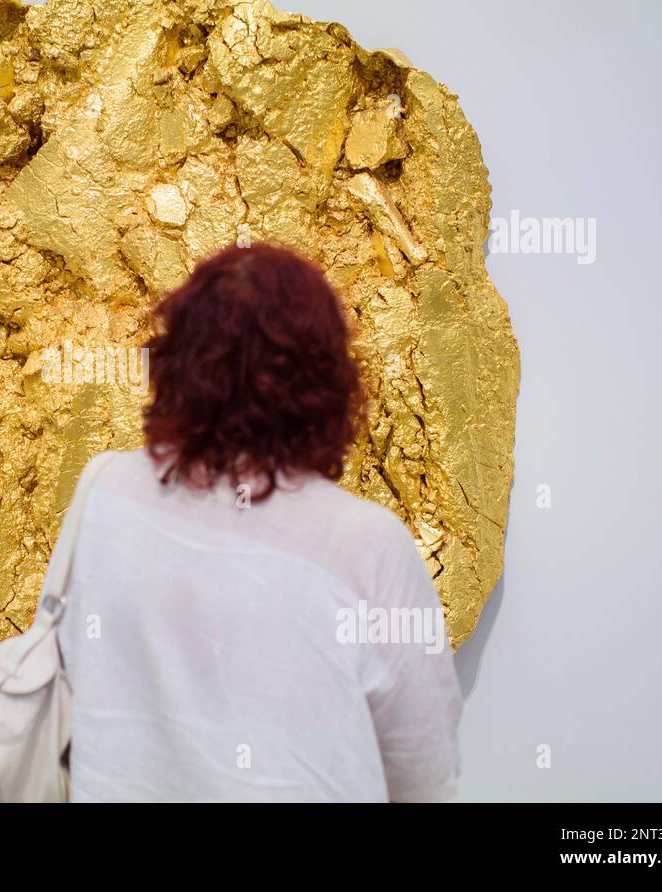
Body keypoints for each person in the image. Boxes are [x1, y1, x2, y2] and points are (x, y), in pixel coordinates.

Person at [47, 242, 463, 802]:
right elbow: (423, 772)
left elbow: (67, 672)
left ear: (176, 363)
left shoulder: (106, 490)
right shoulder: (366, 543)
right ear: (327, 381)